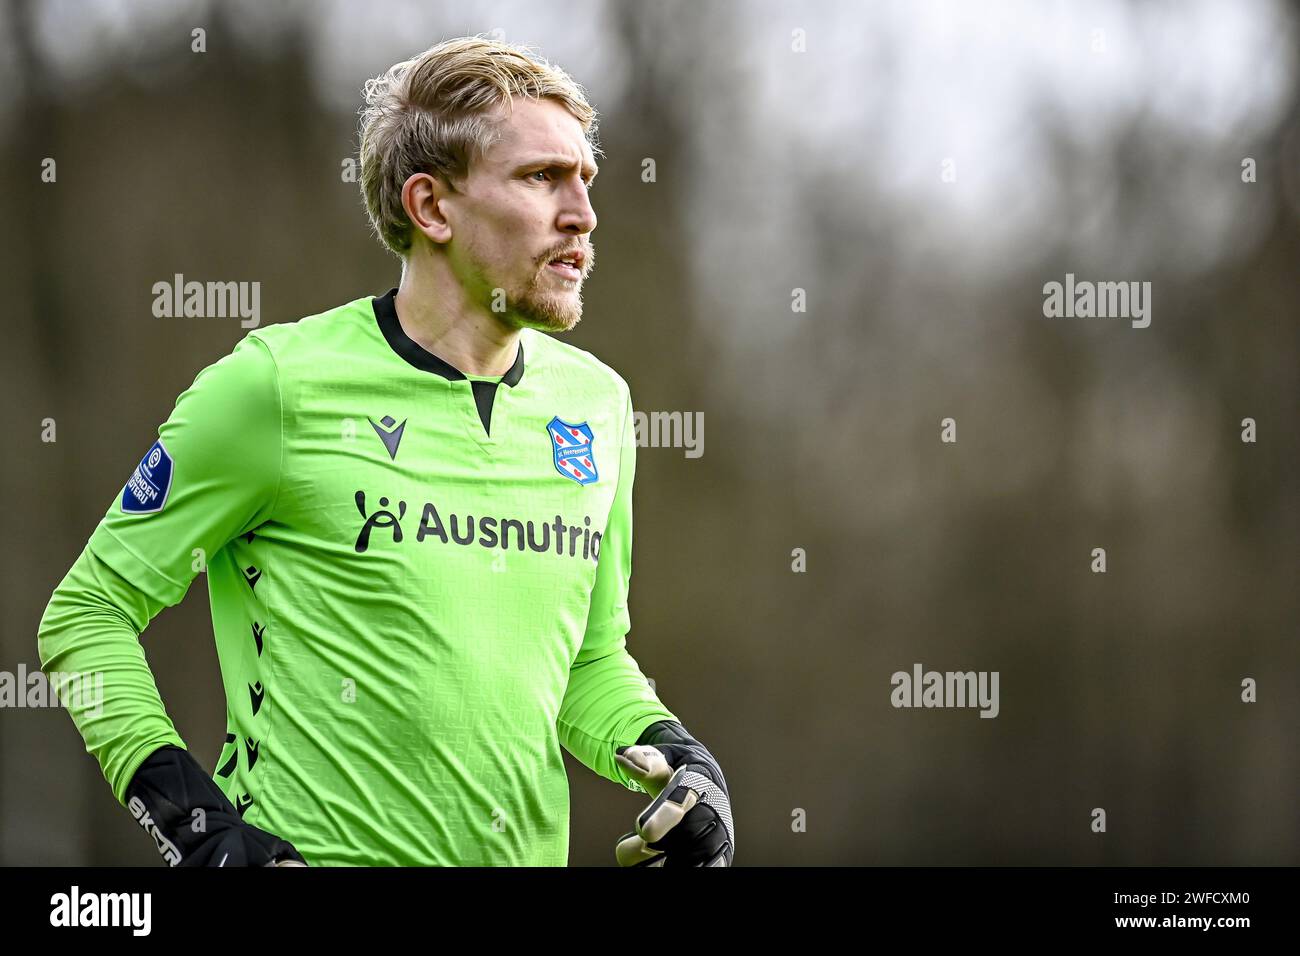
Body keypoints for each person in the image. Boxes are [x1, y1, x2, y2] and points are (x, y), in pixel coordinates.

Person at [36, 36, 733, 867]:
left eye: (586, 178)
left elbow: (587, 661)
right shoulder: (274, 386)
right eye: (541, 177)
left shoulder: (599, 404)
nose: (583, 213)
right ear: (432, 207)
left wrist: (681, 756)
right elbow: (84, 618)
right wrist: (192, 822)